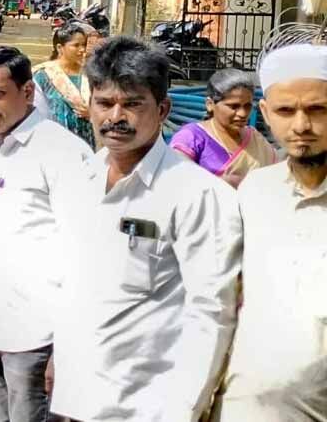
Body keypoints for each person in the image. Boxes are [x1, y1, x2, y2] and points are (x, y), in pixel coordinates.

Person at [49, 36, 242, 421]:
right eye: (104, 103)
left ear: (163, 108)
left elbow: (211, 311)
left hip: (147, 405)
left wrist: (186, 407)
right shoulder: (79, 179)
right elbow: (74, 287)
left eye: (132, 104)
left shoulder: (197, 193)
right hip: (77, 398)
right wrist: (59, 357)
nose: (115, 116)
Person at [0, 47, 91, 422]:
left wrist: (64, 344)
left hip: (37, 335)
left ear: (27, 92)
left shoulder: (62, 152)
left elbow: (83, 251)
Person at [216, 43, 327, 419]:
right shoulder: (255, 190)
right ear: (265, 113)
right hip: (244, 405)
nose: (301, 126)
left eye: (317, 109)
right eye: (285, 110)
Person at [170, 68, 278, 187]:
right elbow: (177, 182)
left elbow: (276, 179)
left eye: (247, 106)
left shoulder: (255, 140)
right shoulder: (191, 138)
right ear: (210, 105)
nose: (242, 113)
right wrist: (223, 183)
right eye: (234, 106)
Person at [32, 22, 94, 147]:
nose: (82, 50)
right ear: (60, 48)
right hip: (53, 144)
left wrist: (92, 114)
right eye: (76, 45)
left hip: (87, 144)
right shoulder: (43, 75)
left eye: (84, 45)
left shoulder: (91, 75)